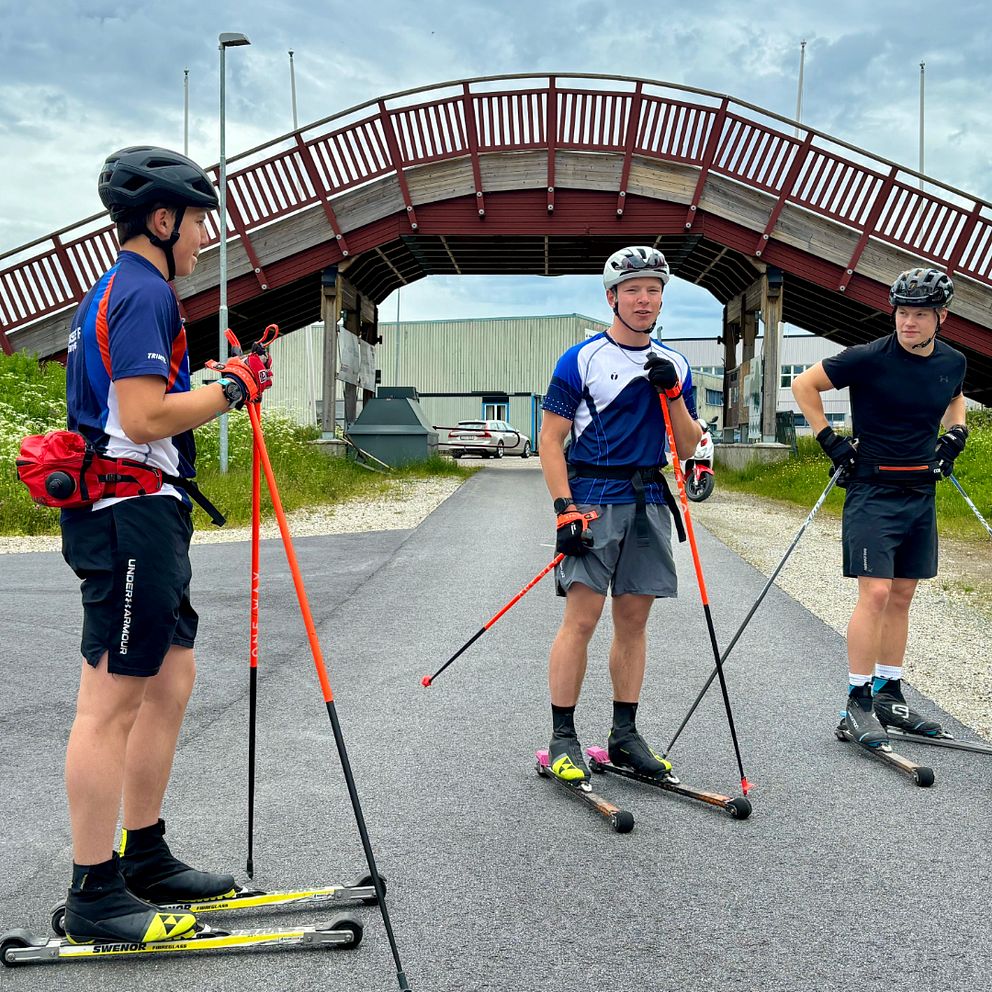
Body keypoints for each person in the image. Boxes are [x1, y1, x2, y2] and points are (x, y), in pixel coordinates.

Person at [59, 146, 273, 944]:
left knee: (170, 678)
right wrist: (233, 388)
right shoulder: (143, 291)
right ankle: (94, 893)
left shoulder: (125, 290)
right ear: (161, 218)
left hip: (144, 509)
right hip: (127, 513)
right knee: (111, 701)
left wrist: (213, 380)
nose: (203, 240)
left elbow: (135, 404)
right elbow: (144, 419)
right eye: (197, 223)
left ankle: (141, 852)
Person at [538, 246, 703, 783]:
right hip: (592, 496)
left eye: (653, 290)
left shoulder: (675, 364)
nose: (643, 299)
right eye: (632, 290)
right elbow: (551, 439)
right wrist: (565, 510)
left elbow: (687, 443)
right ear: (612, 297)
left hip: (650, 499)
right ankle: (563, 736)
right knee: (581, 620)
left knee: (633, 623)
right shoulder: (582, 359)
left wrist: (673, 393)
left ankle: (624, 735)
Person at [791, 266, 967, 747]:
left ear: (941, 316)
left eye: (919, 315)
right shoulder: (868, 357)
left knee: (903, 595)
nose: (908, 322)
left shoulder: (953, 361)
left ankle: (890, 693)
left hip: (920, 492)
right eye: (902, 313)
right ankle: (858, 700)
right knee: (874, 594)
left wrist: (956, 435)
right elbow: (804, 385)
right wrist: (831, 442)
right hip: (872, 490)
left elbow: (955, 401)